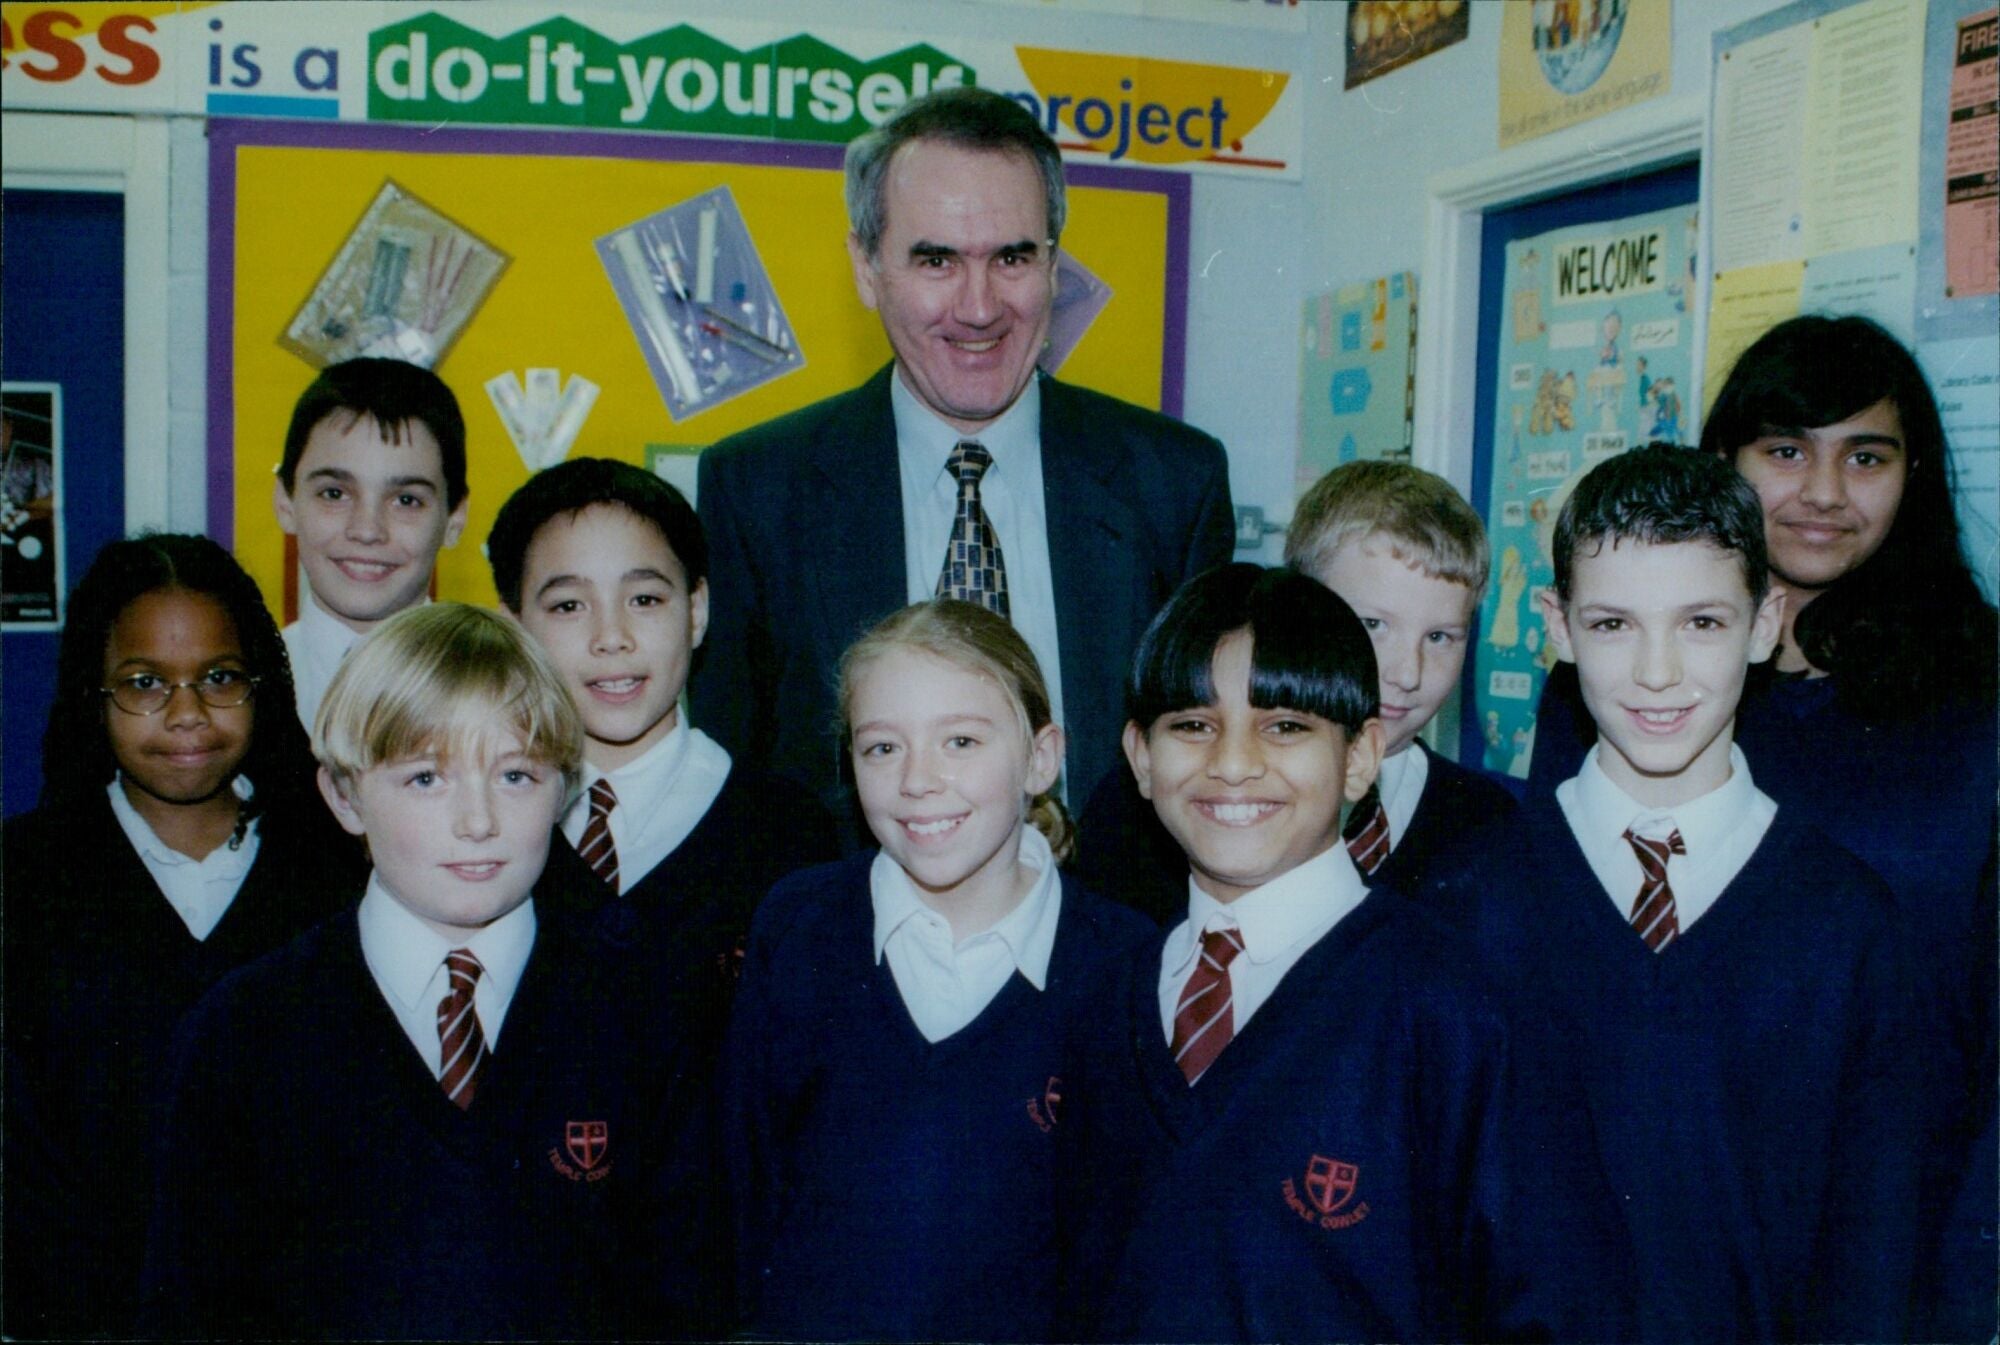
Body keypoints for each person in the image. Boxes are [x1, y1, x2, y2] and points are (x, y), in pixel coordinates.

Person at [1063, 564, 1636, 1343]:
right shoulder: (1103, 1003)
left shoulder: (1458, 1010)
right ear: (1139, 755)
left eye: (1285, 726)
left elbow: (1561, 1311)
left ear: (1361, 756)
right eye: (1193, 725)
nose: (1233, 763)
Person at [1427, 446, 1926, 1340]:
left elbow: (1872, 1262)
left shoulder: (1848, 924)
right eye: (1614, 624)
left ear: (1765, 624)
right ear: (1558, 626)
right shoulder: (1467, 902)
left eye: (1700, 621)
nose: (1657, 672)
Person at [143, 605, 721, 1340]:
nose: (477, 821)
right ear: (345, 796)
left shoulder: (649, 1012)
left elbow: (691, 1301)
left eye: (516, 774)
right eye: (425, 778)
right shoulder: (241, 1033)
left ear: (565, 789)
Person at [693, 86, 1233, 833]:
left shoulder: (1175, 483)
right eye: (937, 260)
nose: (979, 308)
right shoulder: (756, 490)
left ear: (1053, 264)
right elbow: (736, 793)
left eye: (1012, 257)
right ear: (866, 267)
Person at [724, 600, 1151, 1342]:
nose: (918, 779)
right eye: (882, 748)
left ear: (1042, 757)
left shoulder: (1123, 964)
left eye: (960, 741)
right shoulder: (798, 926)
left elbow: (1118, 1245)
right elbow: (745, 1184)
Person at [3, 534, 360, 1339]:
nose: (188, 712)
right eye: (144, 683)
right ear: (93, 693)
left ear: (262, 684)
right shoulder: (22, 882)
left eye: (220, 677)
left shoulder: (342, 872)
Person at [487, 458, 835, 1046]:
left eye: (645, 599)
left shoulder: (789, 831)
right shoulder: (479, 825)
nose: (612, 638)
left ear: (696, 611)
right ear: (514, 629)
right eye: (569, 606)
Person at [1078, 462, 1514, 923]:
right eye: (1372, 624)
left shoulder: (1490, 824)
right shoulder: (1150, 804)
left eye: (1440, 637)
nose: (1408, 673)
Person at [273, 356, 470, 730]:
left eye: (406, 500)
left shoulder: (504, 694)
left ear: (454, 518)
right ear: (285, 502)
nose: (366, 530)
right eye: (334, 494)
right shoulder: (242, 694)